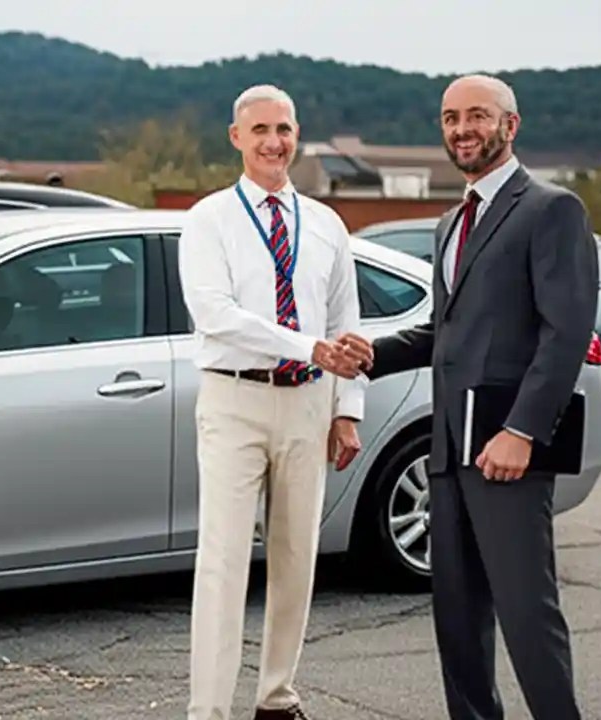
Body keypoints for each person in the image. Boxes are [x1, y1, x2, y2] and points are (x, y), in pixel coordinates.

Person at [363, 74, 594, 719]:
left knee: (527, 618)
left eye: (477, 116)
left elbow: (565, 331)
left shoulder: (551, 209)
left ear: (510, 126)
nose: (461, 129)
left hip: (507, 452)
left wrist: (521, 431)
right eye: (449, 118)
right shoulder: (449, 223)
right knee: (458, 626)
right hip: (447, 453)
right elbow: (445, 331)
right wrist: (368, 355)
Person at [180, 84, 371, 720]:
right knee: (224, 560)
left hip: (308, 405)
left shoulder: (325, 223)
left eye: (284, 129)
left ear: (298, 135)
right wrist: (307, 345)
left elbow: (347, 320)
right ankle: (207, 711)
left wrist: (348, 409)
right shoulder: (210, 220)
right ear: (236, 138)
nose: (273, 142)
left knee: (297, 558)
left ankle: (276, 697)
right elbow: (216, 314)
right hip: (235, 400)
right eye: (260, 129)